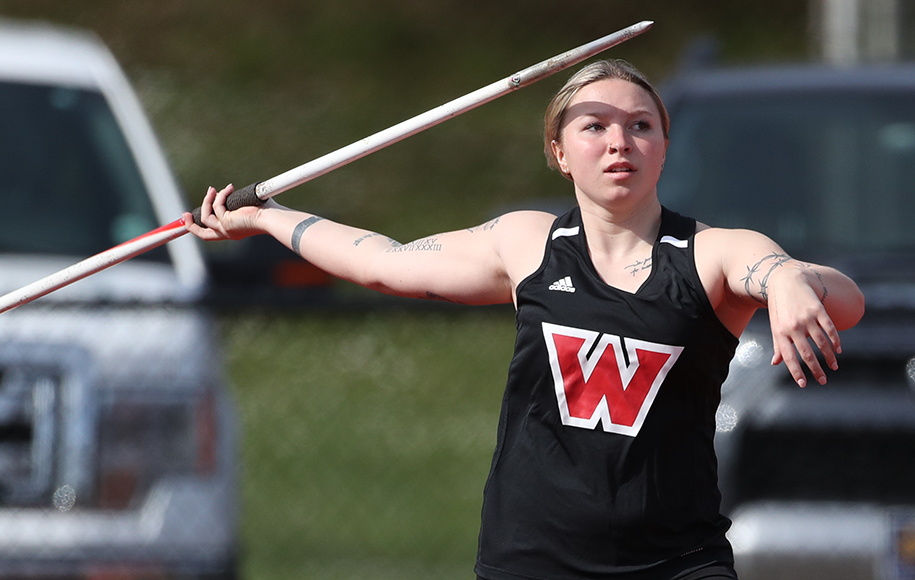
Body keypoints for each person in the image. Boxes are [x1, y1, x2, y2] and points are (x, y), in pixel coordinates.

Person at [184, 59, 864, 580]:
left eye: (640, 125)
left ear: (663, 146)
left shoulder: (710, 253)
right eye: (594, 126)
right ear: (560, 153)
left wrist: (788, 279)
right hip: (534, 560)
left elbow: (843, 298)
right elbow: (382, 261)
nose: (619, 141)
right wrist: (268, 217)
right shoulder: (528, 244)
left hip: (676, 562)